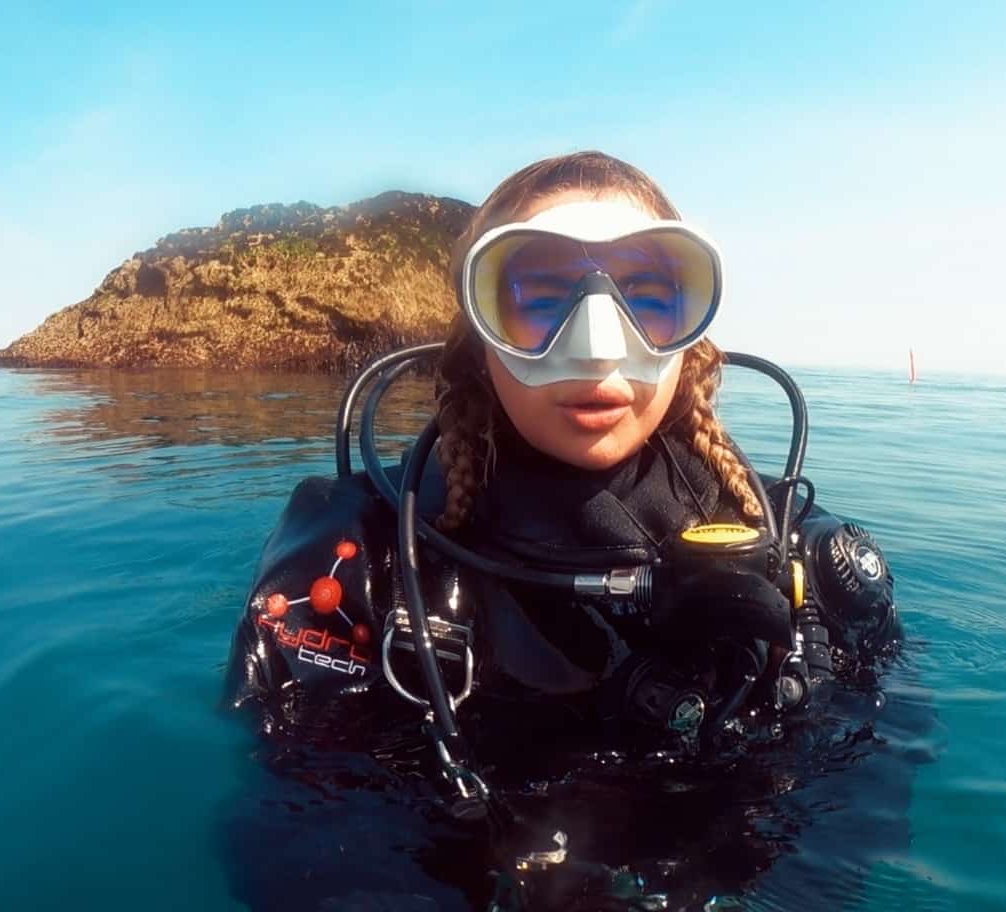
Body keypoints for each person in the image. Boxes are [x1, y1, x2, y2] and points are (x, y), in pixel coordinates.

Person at [221, 151, 904, 909]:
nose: (598, 346)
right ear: (480, 338)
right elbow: (304, 831)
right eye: (541, 300)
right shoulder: (364, 555)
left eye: (647, 298)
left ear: (689, 337)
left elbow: (863, 789)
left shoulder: (797, 548)